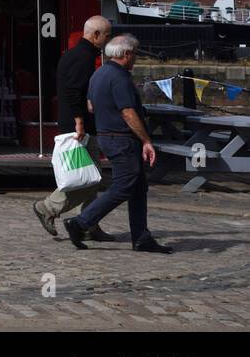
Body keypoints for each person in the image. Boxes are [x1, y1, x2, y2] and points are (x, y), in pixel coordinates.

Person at [64, 34, 173, 253]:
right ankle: (81, 222)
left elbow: (91, 106)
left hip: (108, 136)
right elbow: (128, 112)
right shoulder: (120, 77)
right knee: (124, 186)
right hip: (122, 139)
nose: (136, 58)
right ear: (126, 54)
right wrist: (146, 140)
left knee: (138, 187)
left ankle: (141, 237)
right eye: (135, 53)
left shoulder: (99, 74)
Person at [33, 16, 114, 241]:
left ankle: (88, 224)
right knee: (90, 177)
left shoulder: (72, 54)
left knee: (88, 176)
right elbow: (74, 91)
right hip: (79, 126)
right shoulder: (85, 58)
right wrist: (79, 120)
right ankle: (47, 208)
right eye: (106, 35)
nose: (108, 40)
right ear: (96, 35)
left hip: (74, 122)